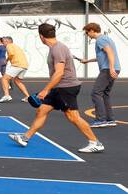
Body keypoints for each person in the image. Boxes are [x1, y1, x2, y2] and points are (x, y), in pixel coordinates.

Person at [9, 24, 104, 153]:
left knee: (73, 116)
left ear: (41, 37)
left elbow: (59, 72)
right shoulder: (55, 48)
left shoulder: (57, 49)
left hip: (66, 87)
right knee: (41, 110)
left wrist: (46, 90)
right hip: (59, 87)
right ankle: (25, 138)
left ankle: (95, 142)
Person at [77, 23, 119, 129]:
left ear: (91, 30)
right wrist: (87, 61)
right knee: (105, 94)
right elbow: (102, 56)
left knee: (96, 93)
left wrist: (111, 68)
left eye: (87, 33)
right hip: (113, 68)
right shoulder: (106, 38)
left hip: (107, 70)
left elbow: (110, 53)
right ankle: (110, 120)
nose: (87, 35)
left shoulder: (100, 40)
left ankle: (100, 119)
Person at [0, 36, 31, 103]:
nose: (2, 43)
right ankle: (28, 97)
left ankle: (6, 95)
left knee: (4, 78)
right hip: (24, 65)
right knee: (17, 81)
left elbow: (11, 54)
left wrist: (6, 60)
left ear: (7, 41)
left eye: (3, 42)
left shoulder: (9, 46)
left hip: (17, 65)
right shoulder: (16, 46)